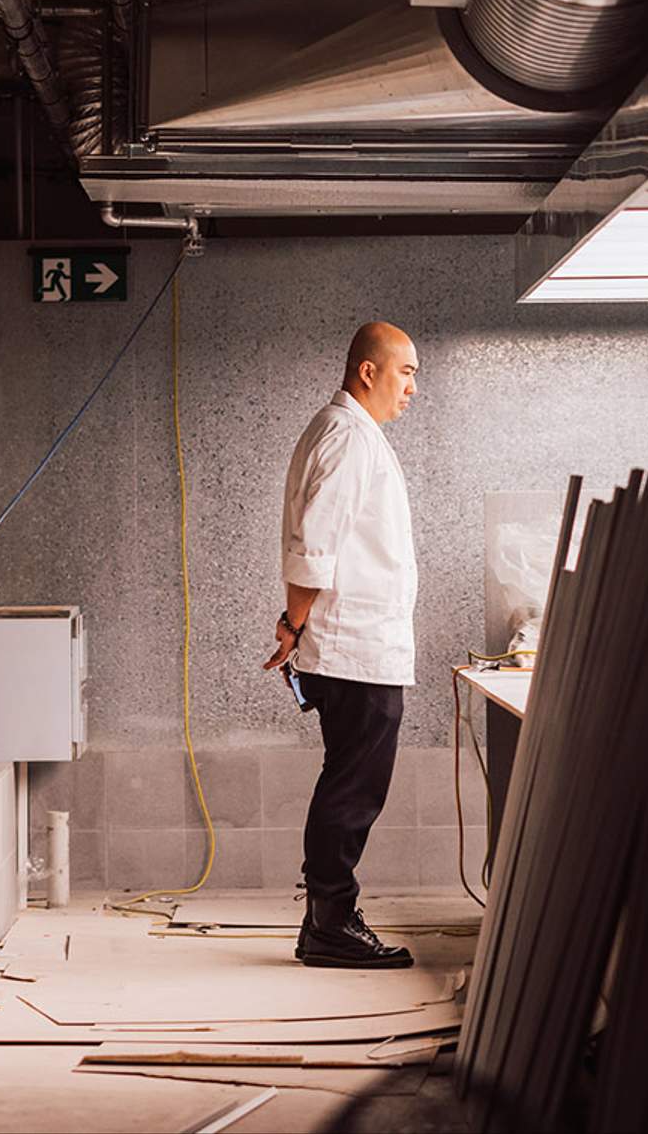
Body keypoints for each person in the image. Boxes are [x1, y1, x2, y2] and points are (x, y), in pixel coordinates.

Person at [264, 320, 421, 969]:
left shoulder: (348, 433)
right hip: (355, 648)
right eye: (405, 372)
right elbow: (316, 548)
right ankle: (331, 922)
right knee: (353, 788)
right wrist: (294, 625)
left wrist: (295, 624)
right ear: (367, 371)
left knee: (352, 782)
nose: (412, 387)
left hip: (359, 645)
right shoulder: (350, 437)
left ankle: (325, 921)